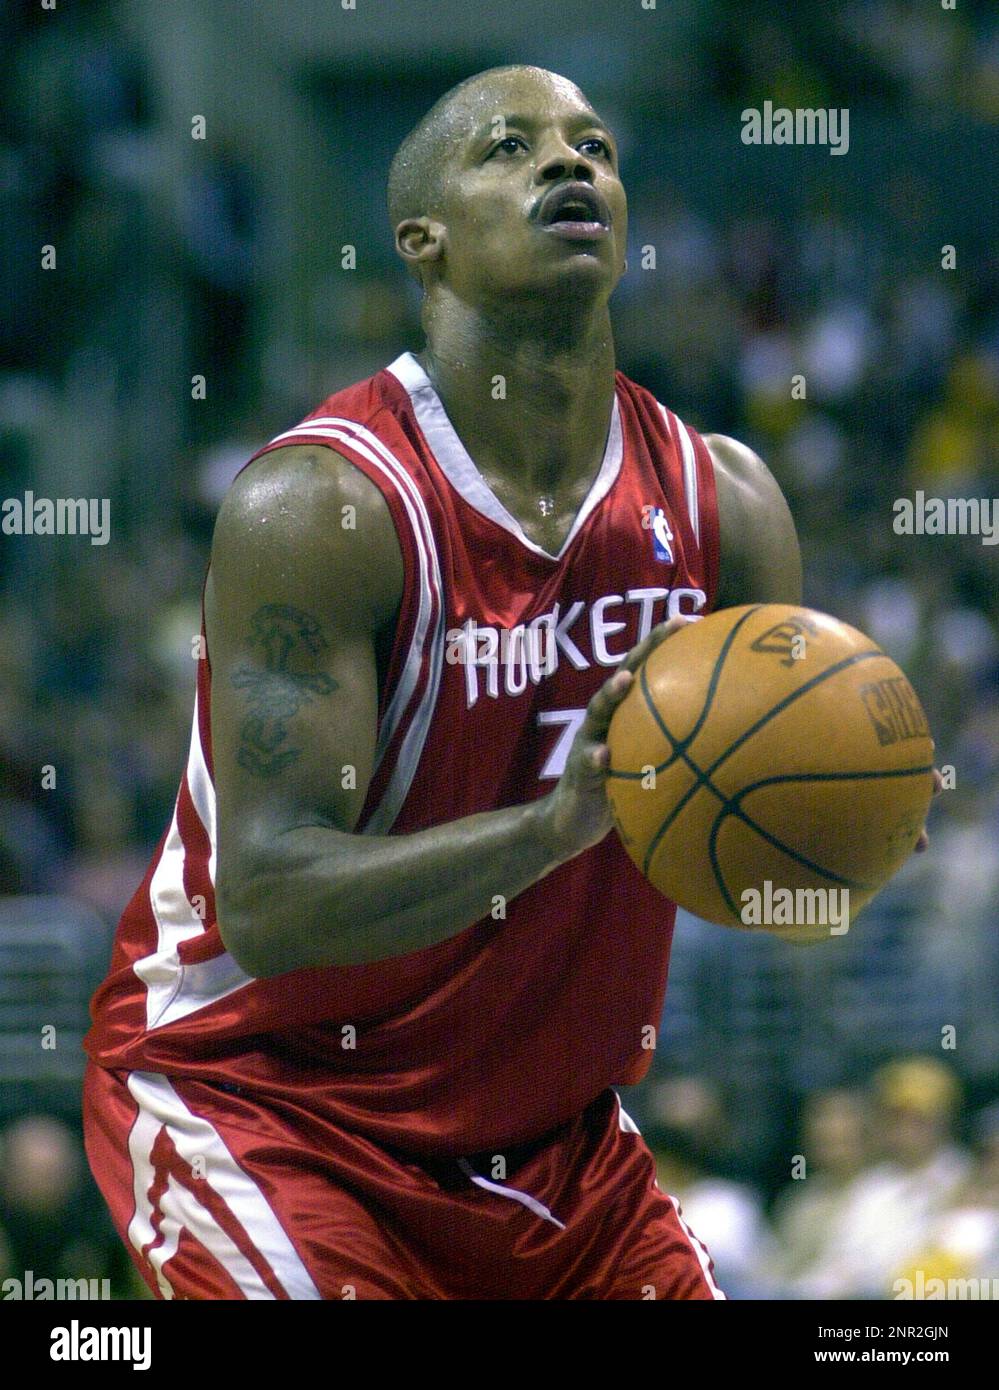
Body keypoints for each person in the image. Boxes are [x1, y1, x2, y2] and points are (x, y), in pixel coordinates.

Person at [82, 64, 924, 1300]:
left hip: (553, 1150)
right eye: (510, 148)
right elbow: (268, 899)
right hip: (273, 1102)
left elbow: (765, 853)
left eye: (593, 146)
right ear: (422, 241)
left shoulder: (727, 504)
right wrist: (553, 828)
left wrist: (835, 832)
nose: (568, 164)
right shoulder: (323, 504)